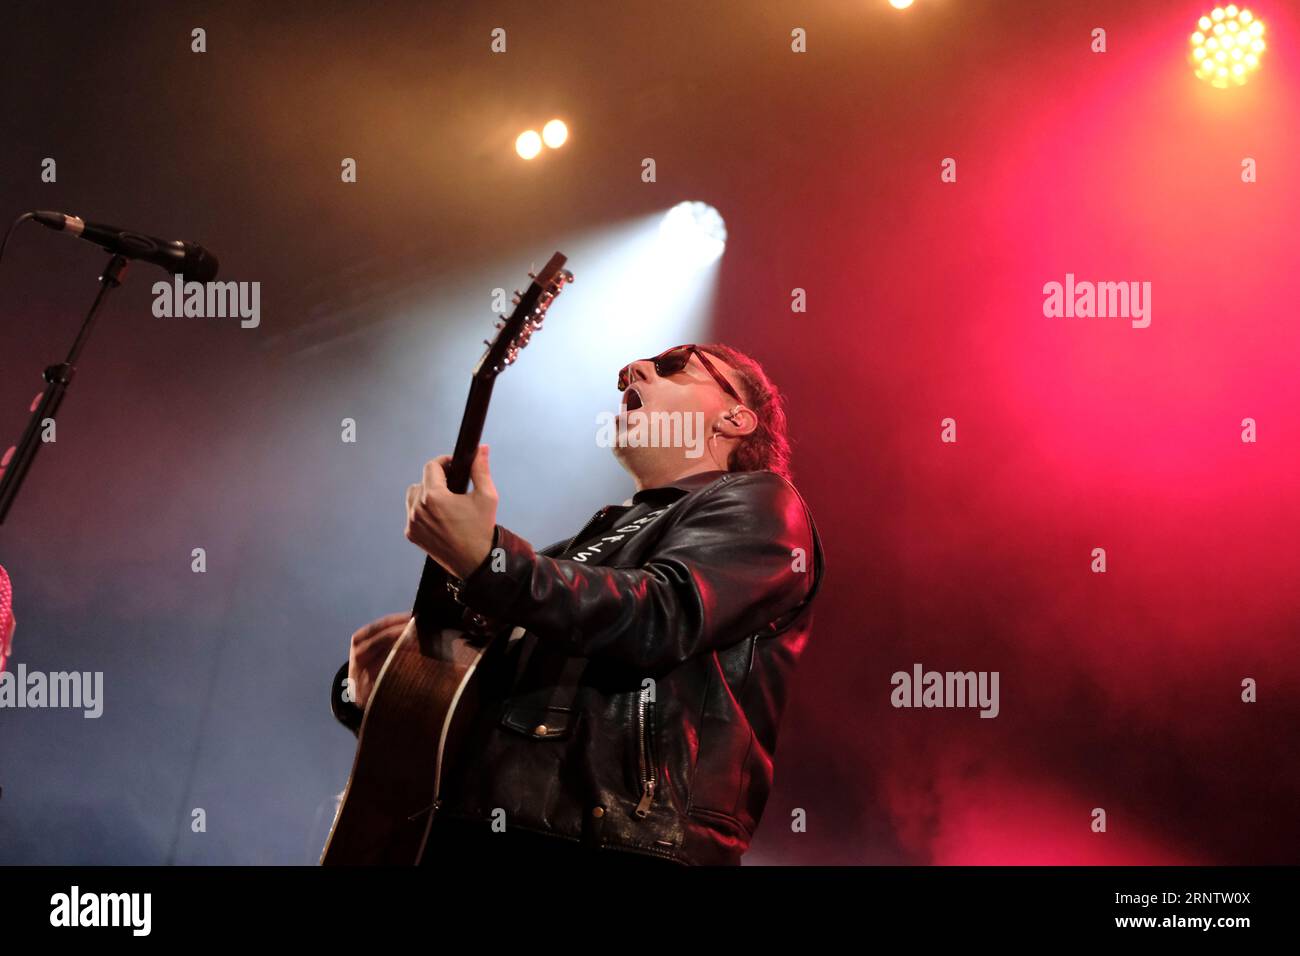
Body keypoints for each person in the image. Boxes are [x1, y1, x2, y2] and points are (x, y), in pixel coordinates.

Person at [330, 343, 824, 866]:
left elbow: (658, 614)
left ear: (736, 417)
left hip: (621, 838)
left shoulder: (764, 502)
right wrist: (377, 688)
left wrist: (490, 558)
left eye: (675, 364)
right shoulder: (578, 550)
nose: (631, 370)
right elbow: (463, 695)